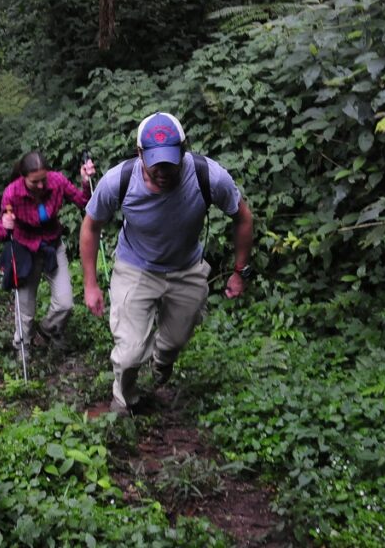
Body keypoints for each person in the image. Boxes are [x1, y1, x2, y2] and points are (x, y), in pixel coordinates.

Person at [79, 112, 254, 414]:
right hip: (136, 267)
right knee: (131, 353)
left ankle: (161, 364)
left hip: (186, 268)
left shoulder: (208, 176)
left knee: (174, 340)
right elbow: (90, 227)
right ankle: (125, 401)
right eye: (155, 161)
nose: (163, 170)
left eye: (171, 161)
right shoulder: (118, 181)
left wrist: (239, 272)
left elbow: (243, 218)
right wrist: (90, 283)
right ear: (140, 154)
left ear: (184, 151)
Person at [0, 151, 96, 352]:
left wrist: (86, 182)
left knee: (65, 303)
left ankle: (46, 331)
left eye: (44, 180)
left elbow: (84, 202)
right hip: (25, 249)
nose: (41, 186)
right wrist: (5, 226)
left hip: (52, 246)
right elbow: (0, 234)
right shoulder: (12, 193)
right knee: (26, 310)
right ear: (24, 178)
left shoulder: (56, 181)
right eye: (35, 182)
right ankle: (22, 348)